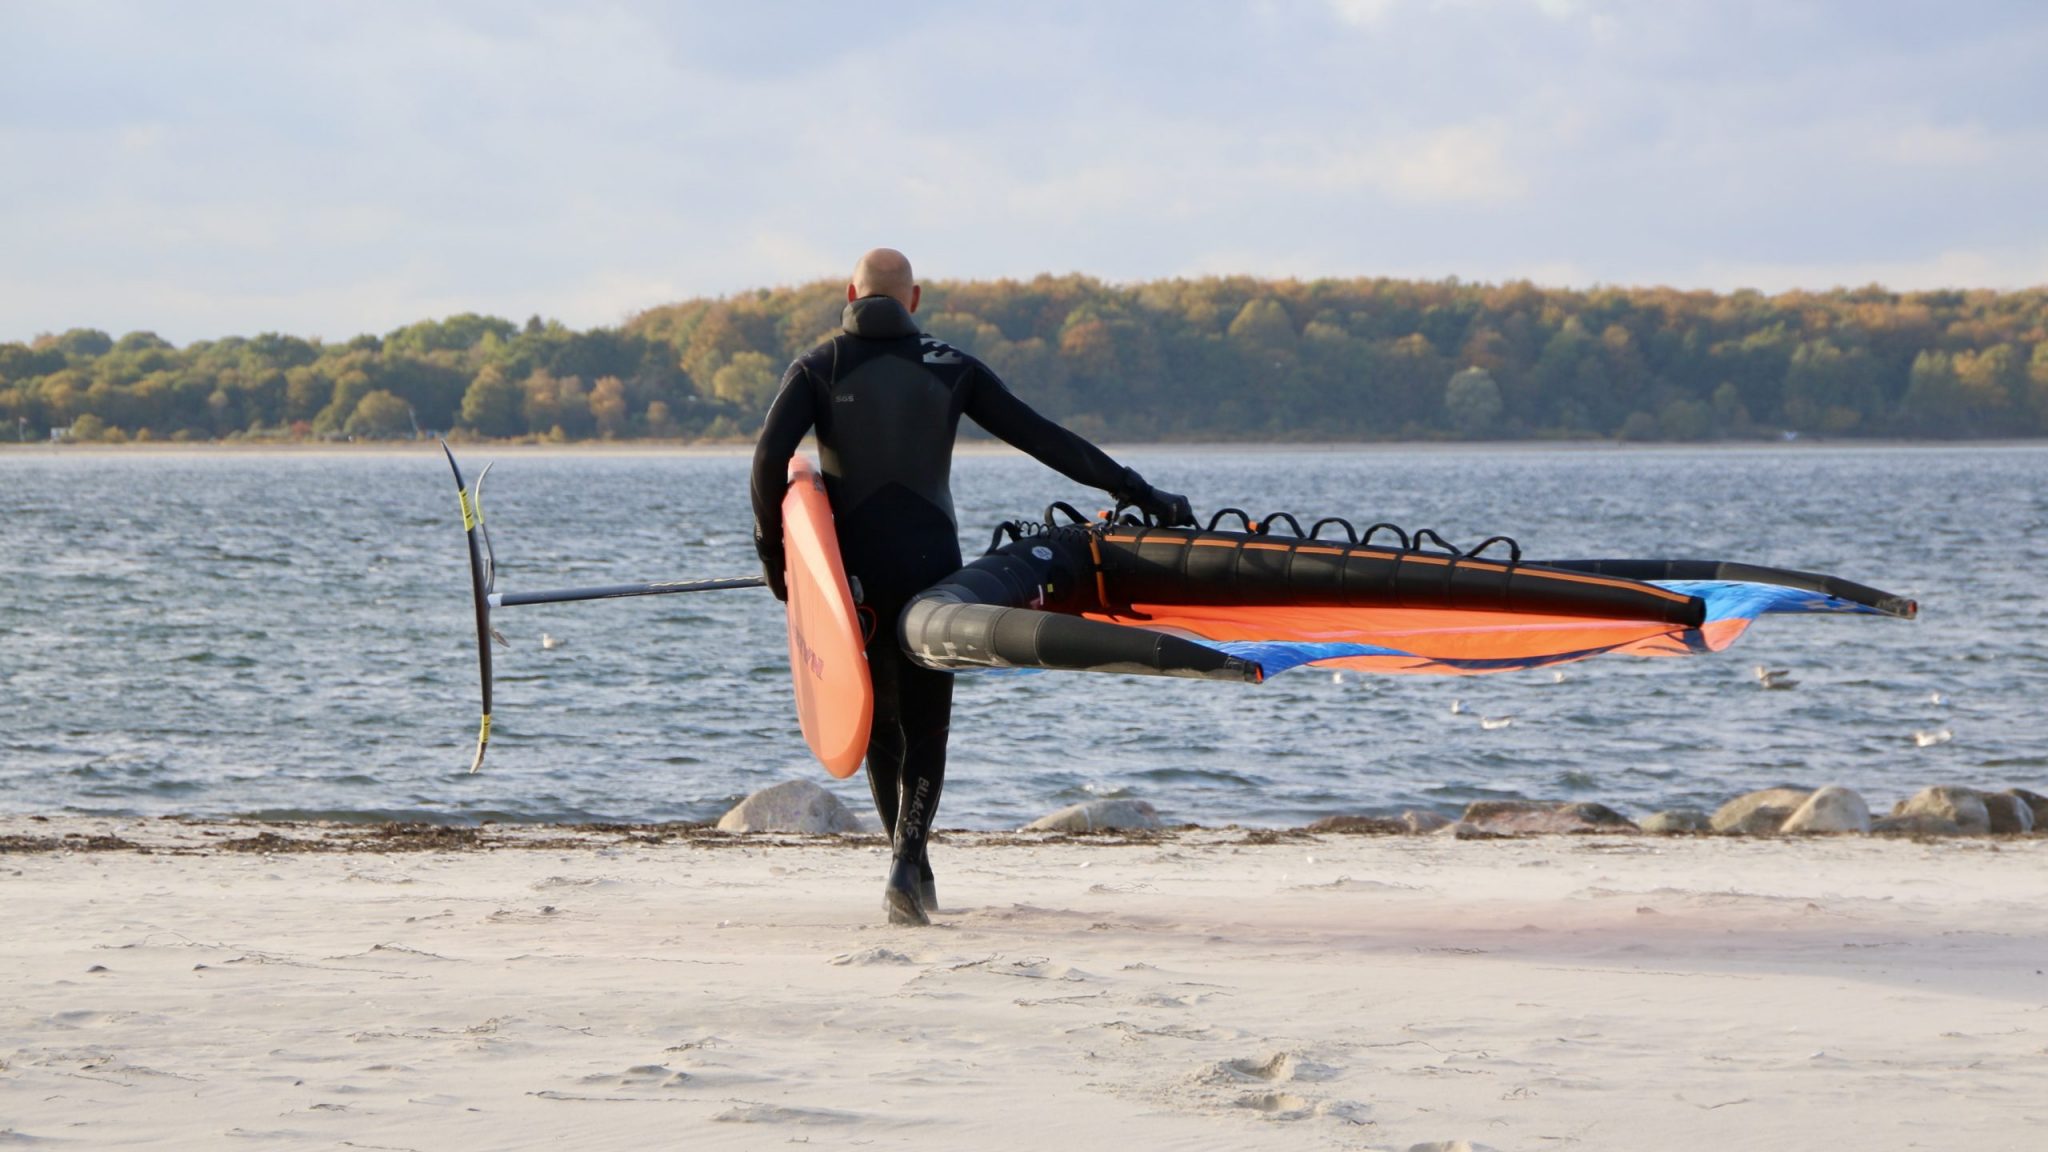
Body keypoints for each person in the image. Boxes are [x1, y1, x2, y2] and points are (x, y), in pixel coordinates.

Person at [750, 248, 1193, 926]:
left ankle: (904, 862)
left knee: (875, 720)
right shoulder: (951, 367)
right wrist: (1139, 491)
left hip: (856, 575)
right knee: (928, 720)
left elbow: (767, 463)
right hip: (933, 566)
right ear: (915, 300)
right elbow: (1045, 438)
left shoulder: (817, 367)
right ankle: (909, 858)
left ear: (849, 293)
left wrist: (777, 561)